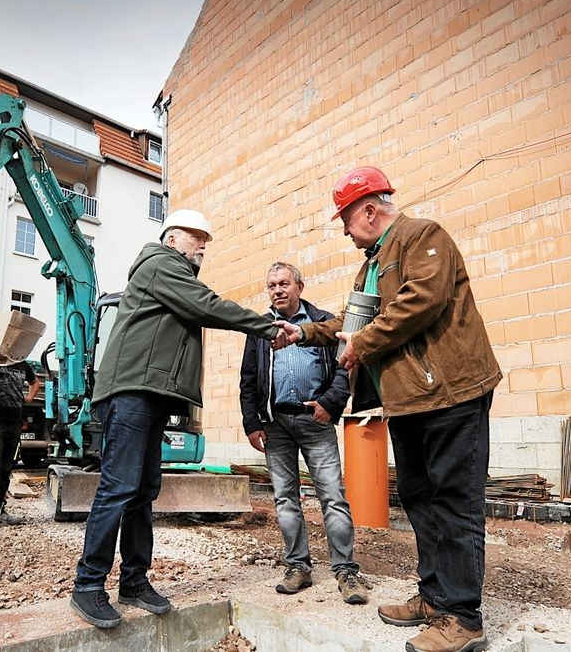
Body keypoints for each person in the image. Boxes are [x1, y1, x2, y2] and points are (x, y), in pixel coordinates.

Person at [275, 166, 502, 652]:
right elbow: (353, 319)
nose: (344, 230)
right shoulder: (372, 264)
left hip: (451, 393)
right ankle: (436, 598)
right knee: (420, 501)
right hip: (409, 401)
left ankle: (464, 618)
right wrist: (306, 331)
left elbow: (422, 300)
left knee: (455, 504)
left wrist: (363, 345)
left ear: (369, 210)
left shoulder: (422, 236)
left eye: (345, 220)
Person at [70, 208, 289, 629]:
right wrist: (264, 325)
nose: (203, 244)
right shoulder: (161, 265)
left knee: (142, 490)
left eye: (206, 238)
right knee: (119, 487)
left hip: (149, 395)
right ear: (173, 238)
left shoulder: (169, 272)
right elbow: (207, 305)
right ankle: (87, 585)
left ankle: (134, 581)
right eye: (196, 236)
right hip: (131, 391)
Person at [239, 261, 367, 605]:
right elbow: (248, 378)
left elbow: (344, 368)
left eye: (283, 283)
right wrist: (251, 422)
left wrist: (330, 403)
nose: (277, 290)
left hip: (316, 422)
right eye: (271, 286)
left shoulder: (323, 323)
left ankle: (346, 571)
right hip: (275, 424)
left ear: (300, 287)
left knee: (333, 497)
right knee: (285, 500)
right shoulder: (259, 328)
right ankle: (298, 567)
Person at [0, 360, 42, 532]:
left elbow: (35, 382)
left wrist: (29, 398)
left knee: (7, 468)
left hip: (14, 424)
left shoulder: (23, 365)